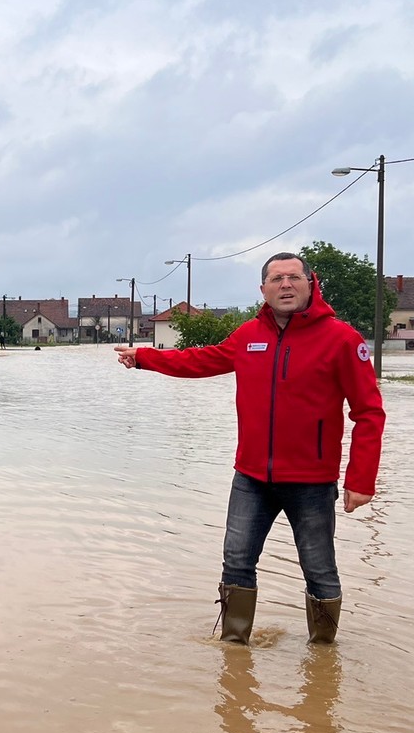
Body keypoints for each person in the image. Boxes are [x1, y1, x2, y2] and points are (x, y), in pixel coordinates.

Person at [115, 252, 385, 645]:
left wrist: (360, 480)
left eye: (294, 277)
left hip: (311, 481)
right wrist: (145, 358)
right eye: (276, 279)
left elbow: (369, 413)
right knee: (237, 563)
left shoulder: (342, 340)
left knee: (320, 570)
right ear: (263, 289)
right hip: (252, 478)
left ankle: (324, 655)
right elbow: (201, 360)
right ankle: (234, 648)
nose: (285, 285)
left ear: (312, 283)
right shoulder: (248, 336)